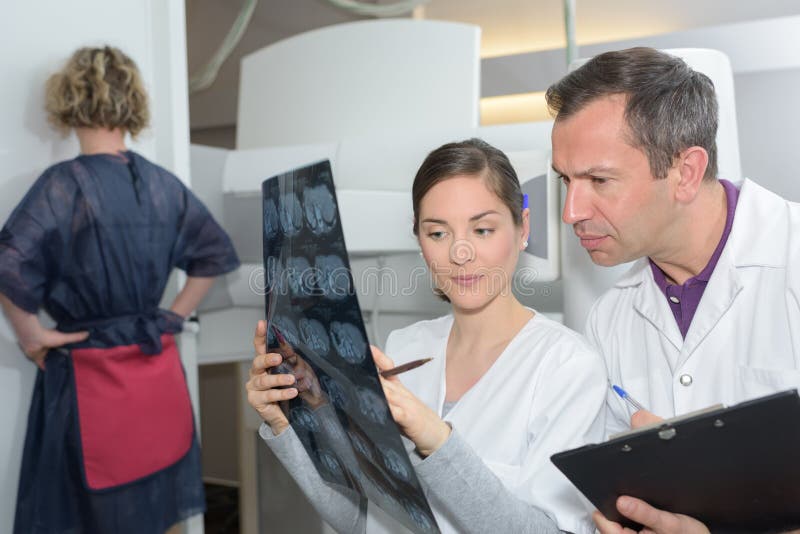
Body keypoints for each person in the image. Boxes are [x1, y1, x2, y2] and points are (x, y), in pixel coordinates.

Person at [246, 138, 608, 533]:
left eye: (483, 229)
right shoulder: (405, 348)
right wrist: (289, 421)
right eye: (438, 234)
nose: (461, 252)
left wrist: (436, 439)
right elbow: (358, 519)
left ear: (523, 229)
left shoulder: (567, 368)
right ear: (419, 239)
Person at [547, 46, 800, 533]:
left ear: (685, 172)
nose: (571, 211)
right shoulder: (610, 318)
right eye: (566, 181)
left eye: (599, 179)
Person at [0, 46, 240, 533]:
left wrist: (31, 335)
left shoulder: (63, 186)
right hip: (155, 369)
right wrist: (173, 316)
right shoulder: (161, 185)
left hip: (86, 375)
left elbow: (9, 260)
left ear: (69, 100)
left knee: (83, 515)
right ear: (132, 102)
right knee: (154, 504)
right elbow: (214, 252)